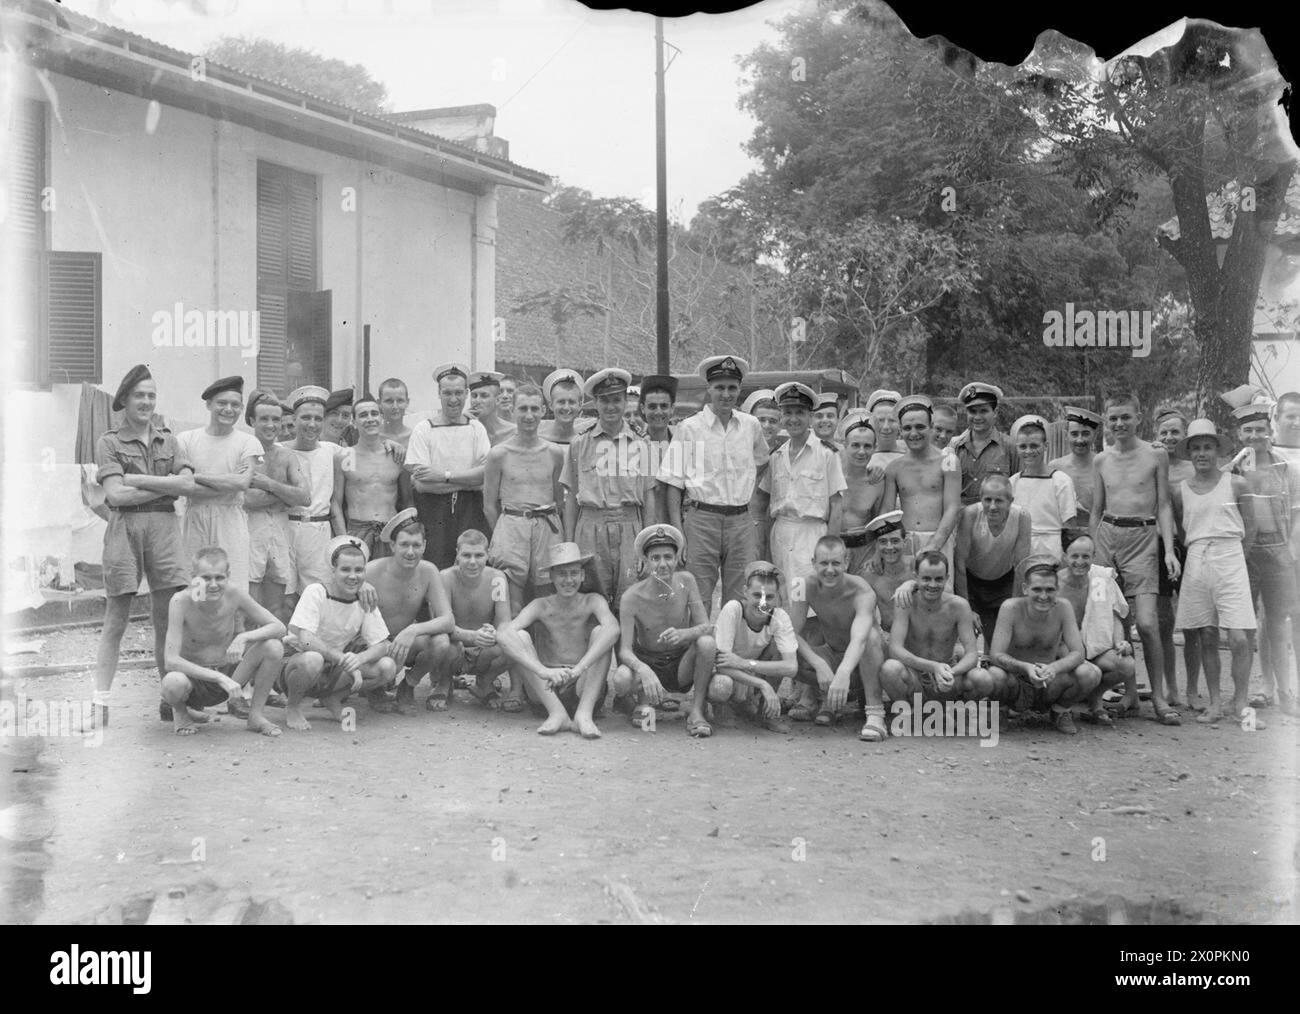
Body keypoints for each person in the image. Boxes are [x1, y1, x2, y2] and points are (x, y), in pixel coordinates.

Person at [91, 364, 196, 726]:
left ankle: (171, 701)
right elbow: (115, 495)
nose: (146, 402)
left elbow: (187, 486)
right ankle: (100, 705)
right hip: (125, 532)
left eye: (151, 395)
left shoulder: (170, 439)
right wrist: (163, 483)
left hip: (165, 530)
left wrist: (141, 480)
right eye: (139, 395)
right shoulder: (109, 442)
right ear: (124, 399)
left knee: (167, 622)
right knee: (115, 622)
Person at [1090, 392, 1181, 724]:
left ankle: (1158, 697)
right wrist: (1092, 556)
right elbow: (1097, 510)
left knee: (1146, 622)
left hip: (1143, 538)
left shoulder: (1155, 455)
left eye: (1125, 417)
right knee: (1117, 624)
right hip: (1108, 537)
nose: (1119, 424)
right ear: (1106, 419)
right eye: (1113, 418)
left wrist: (1169, 550)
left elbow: (1165, 505)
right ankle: (1131, 694)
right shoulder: (1101, 459)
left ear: (1139, 417)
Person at [659, 355, 769, 609]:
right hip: (701, 520)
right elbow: (673, 483)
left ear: (740, 390)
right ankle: (701, 649)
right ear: (709, 389)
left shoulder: (750, 426)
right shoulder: (690, 428)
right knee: (697, 595)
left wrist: (746, 492)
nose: (726, 394)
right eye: (720, 387)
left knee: (741, 596)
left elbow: (762, 461)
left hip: (741, 521)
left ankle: (732, 649)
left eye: (732, 388)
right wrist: (680, 533)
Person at [1172, 419, 1264, 726]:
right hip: (1197, 557)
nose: (1202, 453)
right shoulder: (1180, 490)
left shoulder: (1236, 484)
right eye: (1196, 448)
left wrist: (1239, 556)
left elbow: (1250, 525)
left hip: (1231, 556)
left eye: (1207, 447)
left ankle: (1240, 702)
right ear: (1189, 453)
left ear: (1217, 451)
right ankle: (1213, 703)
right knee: (1206, 634)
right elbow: (1182, 525)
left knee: (1239, 637)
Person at [496, 542, 620, 738]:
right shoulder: (540, 605)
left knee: (601, 633)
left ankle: (584, 715)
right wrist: (542, 670)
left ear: (582, 575)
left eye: (573, 573)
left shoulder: (593, 600)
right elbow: (504, 634)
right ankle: (556, 713)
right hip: (547, 687)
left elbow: (613, 629)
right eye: (562, 574)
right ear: (551, 577)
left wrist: (579, 668)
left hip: (583, 684)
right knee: (518, 637)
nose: (568, 580)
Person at [160, 547, 285, 736]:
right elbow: (171, 660)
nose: (212, 585)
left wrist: (243, 637)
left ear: (228, 575)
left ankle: (256, 716)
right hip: (196, 681)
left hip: (229, 674)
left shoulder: (234, 593)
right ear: (193, 576)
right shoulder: (180, 601)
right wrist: (218, 678)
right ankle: (180, 713)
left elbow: (278, 627)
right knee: (172, 682)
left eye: (219, 578)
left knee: (273, 647)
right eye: (205, 578)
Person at [561, 370, 657, 614]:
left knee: (630, 598)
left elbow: (648, 496)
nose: (611, 406)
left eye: (617, 400)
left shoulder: (642, 443)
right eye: (605, 400)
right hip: (591, 527)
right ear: (596, 403)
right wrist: (570, 544)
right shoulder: (579, 444)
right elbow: (571, 500)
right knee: (592, 601)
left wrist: (648, 544)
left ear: (626, 402)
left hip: (629, 527)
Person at [609, 524, 718, 737]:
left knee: (707, 643)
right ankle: (642, 702)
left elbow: (707, 628)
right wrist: (643, 669)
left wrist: (685, 634)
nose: (662, 564)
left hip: (680, 665)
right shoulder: (631, 597)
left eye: (668, 557)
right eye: (655, 558)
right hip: (648, 664)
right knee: (622, 680)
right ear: (646, 562)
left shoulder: (687, 582)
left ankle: (696, 711)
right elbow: (624, 651)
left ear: (677, 559)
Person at [279, 535, 397, 730]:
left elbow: (382, 644)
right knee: (313, 660)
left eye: (358, 570)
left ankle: (332, 698)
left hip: (332, 666)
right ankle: (292, 706)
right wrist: (343, 659)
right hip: (296, 663)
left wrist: (359, 660)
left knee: (387, 667)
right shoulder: (316, 591)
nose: (353, 576)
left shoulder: (363, 598)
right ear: (333, 571)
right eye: (345, 569)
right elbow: (306, 639)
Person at [1229, 397, 1300, 716]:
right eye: (1248, 430)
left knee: (1279, 622)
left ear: (1270, 430)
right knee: (1245, 625)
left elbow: (1297, 511)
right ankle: (1250, 692)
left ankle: (1286, 693)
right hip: (1246, 551)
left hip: (1278, 549)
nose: (1255, 436)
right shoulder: (1234, 466)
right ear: (1240, 434)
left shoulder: (1285, 467)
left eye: (1260, 429)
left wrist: (1290, 550)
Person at [985, 555, 1102, 735]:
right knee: (994, 675)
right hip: (1016, 681)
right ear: (1025, 589)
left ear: (1057, 589)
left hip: (1050, 681)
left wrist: (1054, 668)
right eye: (1037, 589)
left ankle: (1060, 711)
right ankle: (1000, 710)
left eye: (1049, 590)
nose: (1043, 596)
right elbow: (996, 655)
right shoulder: (1010, 608)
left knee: (1091, 673)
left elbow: (1078, 652)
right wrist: (1025, 667)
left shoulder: (1063, 607)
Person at [786, 535, 887, 741]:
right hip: (832, 655)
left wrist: (843, 671)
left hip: (863, 662)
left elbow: (859, 639)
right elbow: (790, 633)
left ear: (846, 563)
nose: (830, 570)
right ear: (813, 563)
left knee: (871, 635)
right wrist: (819, 663)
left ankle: (876, 714)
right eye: (823, 563)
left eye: (836, 563)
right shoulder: (800, 586)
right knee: (782, 647)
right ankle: (824, 697)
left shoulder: (862, 589)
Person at [176, 376, 263, 594]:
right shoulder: (186, 439)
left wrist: (195, 477)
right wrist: (227, 480)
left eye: (235, 405)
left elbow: (242, 482)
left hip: (230, 518)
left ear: (241, 408)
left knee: (232, 587)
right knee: (195, 586)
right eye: (221, 403)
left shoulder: (247, 442)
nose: (228, 409)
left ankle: (234, 629)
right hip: (195, 517)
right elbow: (183, 487)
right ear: (209, 405)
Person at [484, 382, 565, 614]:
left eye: (534, 409)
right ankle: (513, 648)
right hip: (511, 523)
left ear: (543, 411)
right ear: (513, 410)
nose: (529, 416)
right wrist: (503, 532)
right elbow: (489, 505)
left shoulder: (554, 452)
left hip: (547, 525)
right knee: (511, 598)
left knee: (548, 596)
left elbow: (559, 500)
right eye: (522, 409)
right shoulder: (499, 453)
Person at [879, 550, 996, 711]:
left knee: (983, 679)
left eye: (938, 579)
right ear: (916, 577)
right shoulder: (905, 603)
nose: (932, 585)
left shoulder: (959, 606)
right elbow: (895, 649)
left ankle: (958, 710)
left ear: (947, 579)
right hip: (915, 677)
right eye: (926, 578)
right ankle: (909, 712)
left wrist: (951, 673)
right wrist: (932, 667)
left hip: (948, 673)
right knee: (890, 669)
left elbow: (972, 654)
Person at [366, 509, 456, 715]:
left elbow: (447, 620)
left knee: (441, 642)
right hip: (373, 644)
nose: (410, 552)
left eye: (416, 545)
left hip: (403, 642)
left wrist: (413, 630)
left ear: (424, 545)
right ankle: (374, 689)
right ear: (392, 546)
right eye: (404, 545)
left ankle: (407, 687)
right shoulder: (371, 571)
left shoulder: (428, 571)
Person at [405, 363, 491, 568]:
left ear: (467, 393)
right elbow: (422, 484)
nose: (454, 399)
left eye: (459, 393)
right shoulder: (423, 429)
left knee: (470, 564)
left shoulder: (476, 428)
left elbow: (486, 475)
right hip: (433, 511)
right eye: (447, 393)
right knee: (435, 565)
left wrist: (442, 476)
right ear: (439, 393)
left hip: (471, 509)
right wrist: (470, 482)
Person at [762, 382, 846, 589]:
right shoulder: (776, 456)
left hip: (812, 535)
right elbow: (765, 504)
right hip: (781, 534)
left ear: (810, 416)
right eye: (787, 412)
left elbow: (837, 506)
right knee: (781, 596)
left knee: (811, 598)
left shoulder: (827, 454)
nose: (793, 419)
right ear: (781, 417)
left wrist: (830, 550)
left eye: (800, 412)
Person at [706, 560, 799, 734]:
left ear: (777, 596)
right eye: (757, 595)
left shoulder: (780, 616)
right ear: (745, 592)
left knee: (780, 649)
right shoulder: (733, 609)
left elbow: (791, 667)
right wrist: (762, 683)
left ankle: (765, 713)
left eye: (769, 597)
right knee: (721, 686)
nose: (763, 603)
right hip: (729, 675)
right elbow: (721, 665)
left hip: (747, 670)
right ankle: (722, 707)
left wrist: (744, 663)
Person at [243, 391, 310, 621]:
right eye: (264, 419)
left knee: (277, 604)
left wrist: (269, 484)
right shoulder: (244, 451)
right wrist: (286, 494)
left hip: (280, 530)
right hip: (251, 529)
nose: (271, 425)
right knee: (250, 601)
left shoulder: (287, 456)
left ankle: (273, 654)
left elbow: (305, 497)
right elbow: (247, 500)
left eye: (276, 419)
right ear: (252, 421)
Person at [434, 529, 516, 712]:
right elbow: (441, 623)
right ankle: (444, 682)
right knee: (442, 642)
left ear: (488, 554)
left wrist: (495, 633)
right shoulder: (445, 577)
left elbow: (504, 622)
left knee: (514, 641)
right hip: (455, 645)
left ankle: (484, 683)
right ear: (457, 554)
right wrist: (472, 636)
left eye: (479, 555)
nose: (472, 562)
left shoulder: (497, 578)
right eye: (466, 555)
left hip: (484, 647)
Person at [1056, 535, 1133, 727]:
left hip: (1095, 646)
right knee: (1087, 672)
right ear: (1065, 556)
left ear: (1093, 557)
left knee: (1126, 665)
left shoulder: (1100, 579)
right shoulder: (1055, 584)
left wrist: (1120, 642)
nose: (1080, 562)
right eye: (1074, 556)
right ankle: (1061, 708)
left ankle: (1095, 699)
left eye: (1086, 556)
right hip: (1064, 648)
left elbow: (1112, 615)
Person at [882, 395, 960, 581]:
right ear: (900, 431)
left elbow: (952, 507)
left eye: (920, 427)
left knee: (938, 598)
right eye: (907, 428)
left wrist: (934, 545)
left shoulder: (948, 462)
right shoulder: (894, 468)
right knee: (905, 599)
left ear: (931, 427)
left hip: (938, 540)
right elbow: (886, 512)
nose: (913, 433)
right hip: (904, 543)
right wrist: (886, 546)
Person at [1151, 406, 1199, 707]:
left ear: (1185, 436)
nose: (1169, 438)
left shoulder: (1195, 467)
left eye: (1175, 432)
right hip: (1157, 545)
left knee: (1193, 621)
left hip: (1192, 545)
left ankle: (1193, 688)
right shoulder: (1152, 465)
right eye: (1164, 432)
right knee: (1163, 620)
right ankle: (1171, 688)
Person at [283, 385, 346, 593]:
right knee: (284, 597)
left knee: (316, 595)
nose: (312, 424)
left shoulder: (334, 452)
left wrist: (344, 542)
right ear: (294, 419)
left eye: (318, 419)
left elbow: (336, 502)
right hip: (285, 529)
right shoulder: (279, 451)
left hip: (318, 533)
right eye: (305, 418)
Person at [953, 474, 1031, 640]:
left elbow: (1021, 566)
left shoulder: (1022, 517)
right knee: (969, 633)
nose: (993, 506)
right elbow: (959, 562)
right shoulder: (971, 514)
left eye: (999, 501)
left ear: (1010, 501)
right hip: (971, 581)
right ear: (980, 499)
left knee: (1001, 638)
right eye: (987, 500)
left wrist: (1014, 606)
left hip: (1003, 582)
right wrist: (966, 607)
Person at [339, 395, 413, 560]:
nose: (370, 419)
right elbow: (336, 503)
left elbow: (407, 502)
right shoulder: (346, 456)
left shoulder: (396, 455)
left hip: (390, 531)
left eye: (374, 413)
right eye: (363, 415)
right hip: (358, 532)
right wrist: (343, 539)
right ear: (354, 422)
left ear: (381, 418)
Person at [1008, 414, 1077, 560]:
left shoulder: (1061, 481)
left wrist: (1067, 554)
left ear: (1045, 446)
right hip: (1021, 549)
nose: (1028, 451)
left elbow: (1069, 524)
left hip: (1053, 549)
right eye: (1023, 446)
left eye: (1034, 446)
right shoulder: (1013, 482)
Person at [952, 382, 1019, 506]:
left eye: (983, 411)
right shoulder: (955, 447)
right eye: (972, 411)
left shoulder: (1011, 447)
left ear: (995, 412)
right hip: (963, 519)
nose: (977, 417)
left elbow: (1018, 488)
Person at [1049, 405, 1103, 550]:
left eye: (1085, 434)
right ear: (1066, 434)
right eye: (1074, 434)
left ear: (1095, 435)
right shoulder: (1054, 467)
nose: (1080, 440)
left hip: (1098, 539)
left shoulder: (1104, 465)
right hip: (1062, 540)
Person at [838, 418, 886, 574]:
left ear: (874, 448)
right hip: (834, 549)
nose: (861, 451)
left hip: (865, 552)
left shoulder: (877, 481)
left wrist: (878, 554)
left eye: (867, 446)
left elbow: (881, 523)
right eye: (855, 445)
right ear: (845, 445)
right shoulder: (832, 477)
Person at [742, 388, 781, 561]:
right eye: (761, 420)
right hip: (747, 526)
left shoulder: (785, 454)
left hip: (778, 529)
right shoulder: (739, 453)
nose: (766, 425)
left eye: (772, 421)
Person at [640, 374, 678, 522]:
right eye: (652, 406)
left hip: (679, 524)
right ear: (643, 408)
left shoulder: (682, 442)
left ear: (672, 408)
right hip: (645, 525)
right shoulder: (634, 445)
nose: (658, 412)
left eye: (664, 406)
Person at [538, 368, 596, 446]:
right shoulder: (539, 440)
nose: (566, 408)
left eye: (571, 402)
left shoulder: (585, 442)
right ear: (551, 405)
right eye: (561, 402)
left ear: (580, 405)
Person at [468, 370, 517, 447]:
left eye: (484, 396)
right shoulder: (467, 429)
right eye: (474, 396)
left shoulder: (514, 432)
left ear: (497, 400)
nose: (477, 401)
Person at [865, 389, 902, 462]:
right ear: (871, 421)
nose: (886, 427)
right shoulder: (860, 457)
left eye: (892, 420)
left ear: (900, 423)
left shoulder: (912, 456)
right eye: (880, 420)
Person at [378, 377, 415, 448]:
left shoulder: (415, 437)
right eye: (389, 401)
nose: (395, 406)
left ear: (407, 402)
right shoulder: (371, 437)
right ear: (379, 403)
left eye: (400, 401)